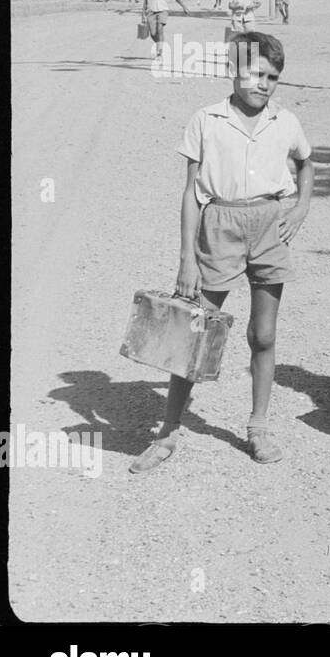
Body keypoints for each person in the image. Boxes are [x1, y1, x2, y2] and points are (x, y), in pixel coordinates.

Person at [129, 31, 314, 472]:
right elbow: (192, 192)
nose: (262, 84)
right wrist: (186, 258)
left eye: (271, 76)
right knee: (193, 332)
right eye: (253, 73)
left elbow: (306, 162)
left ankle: (258, 426)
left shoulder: (284, 121)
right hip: (220, 225)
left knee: (263, 335)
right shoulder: (206, 120)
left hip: (269, 225)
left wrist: (301, 206)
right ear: (232, 71)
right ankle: (168, 432)